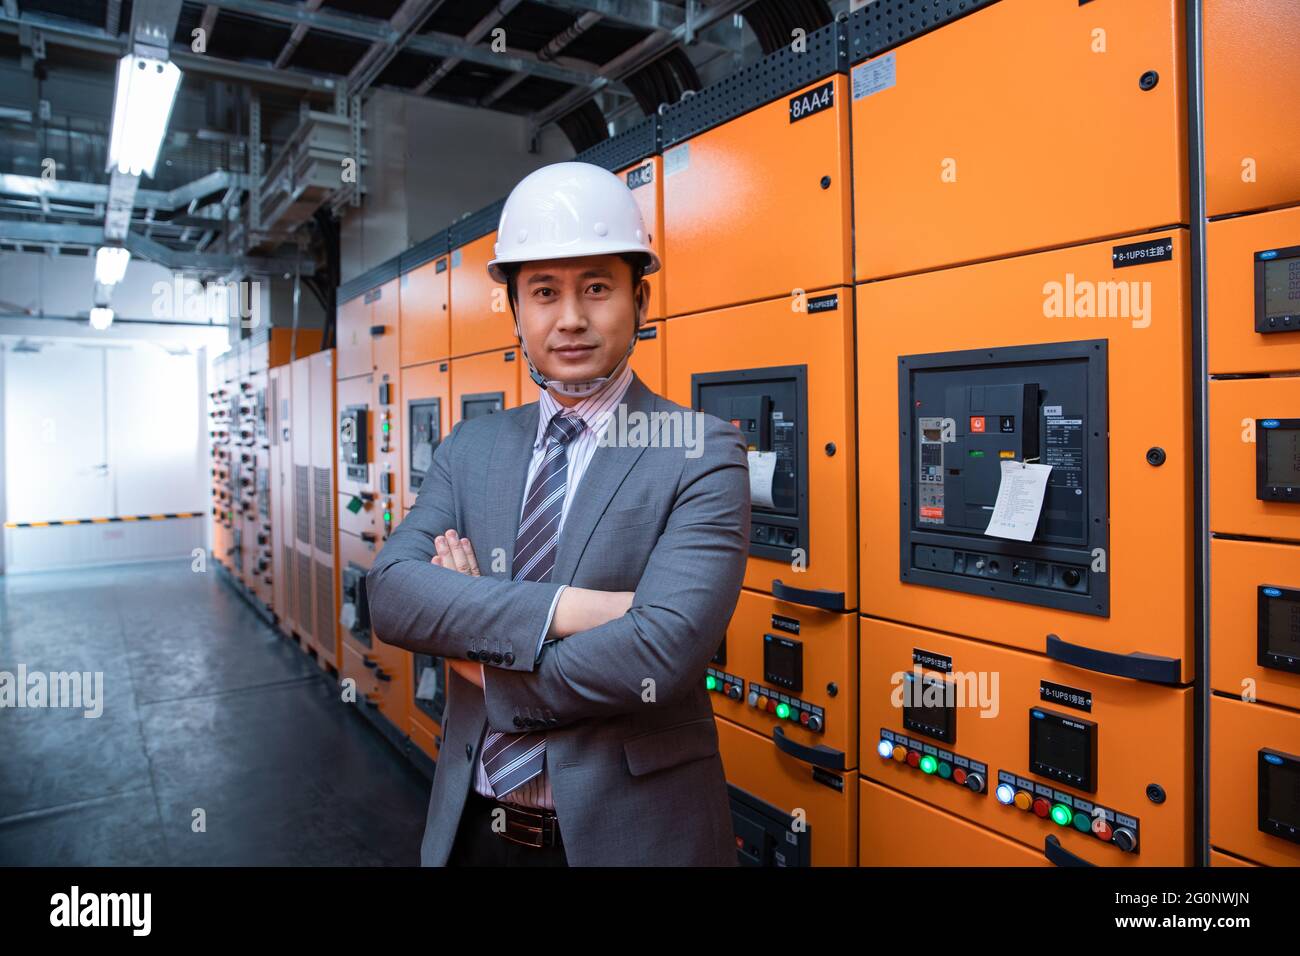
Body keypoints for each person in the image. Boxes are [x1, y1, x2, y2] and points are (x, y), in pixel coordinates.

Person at [366, 161, 750, 866]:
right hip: (474, 831)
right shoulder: (470, 447)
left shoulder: (703, 452)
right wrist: (575, 609)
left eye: (597, 289)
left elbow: (660, 655)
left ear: (641, 299)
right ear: (514, 308)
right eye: (544, 292)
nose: (570, 318)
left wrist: (475, 646)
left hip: (633, 838)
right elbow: (391, 595)